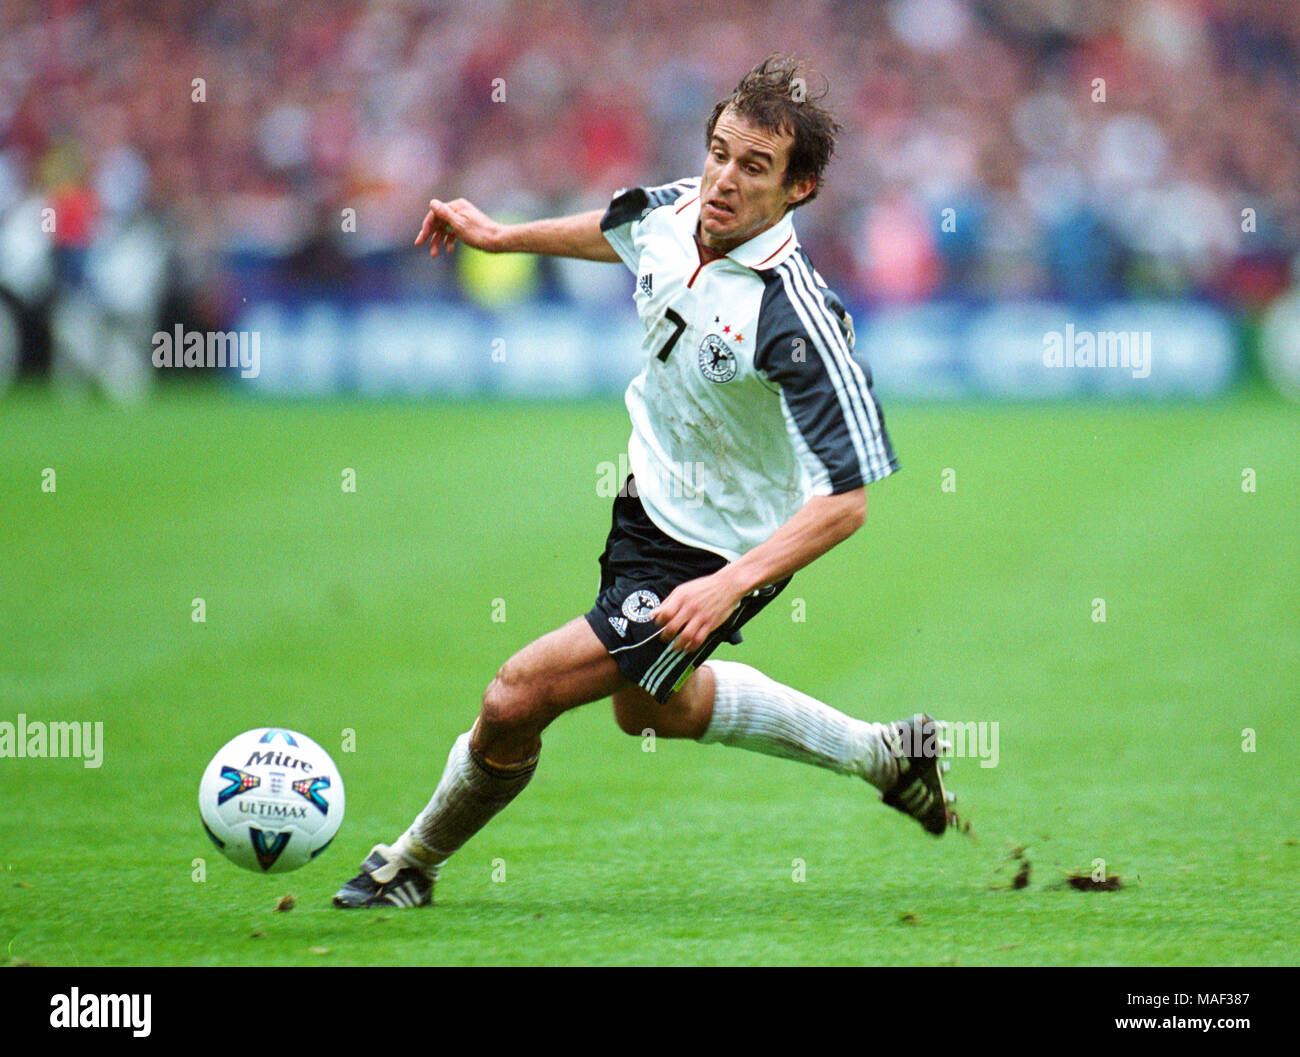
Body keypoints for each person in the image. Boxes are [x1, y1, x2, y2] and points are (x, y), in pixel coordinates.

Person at [333, 56, 958, 910]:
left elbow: (846, 500)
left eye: (755, 167)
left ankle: (408, 863)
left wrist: (727, 587)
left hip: (721, 549)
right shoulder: (676, 209)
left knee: (516, 695)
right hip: (647, 502)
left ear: (800, 189)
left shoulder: (795, 318)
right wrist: (501, 235)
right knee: (651, 712)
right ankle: (887, 754)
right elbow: (618, 230)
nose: (724, 181)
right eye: (719, 153)